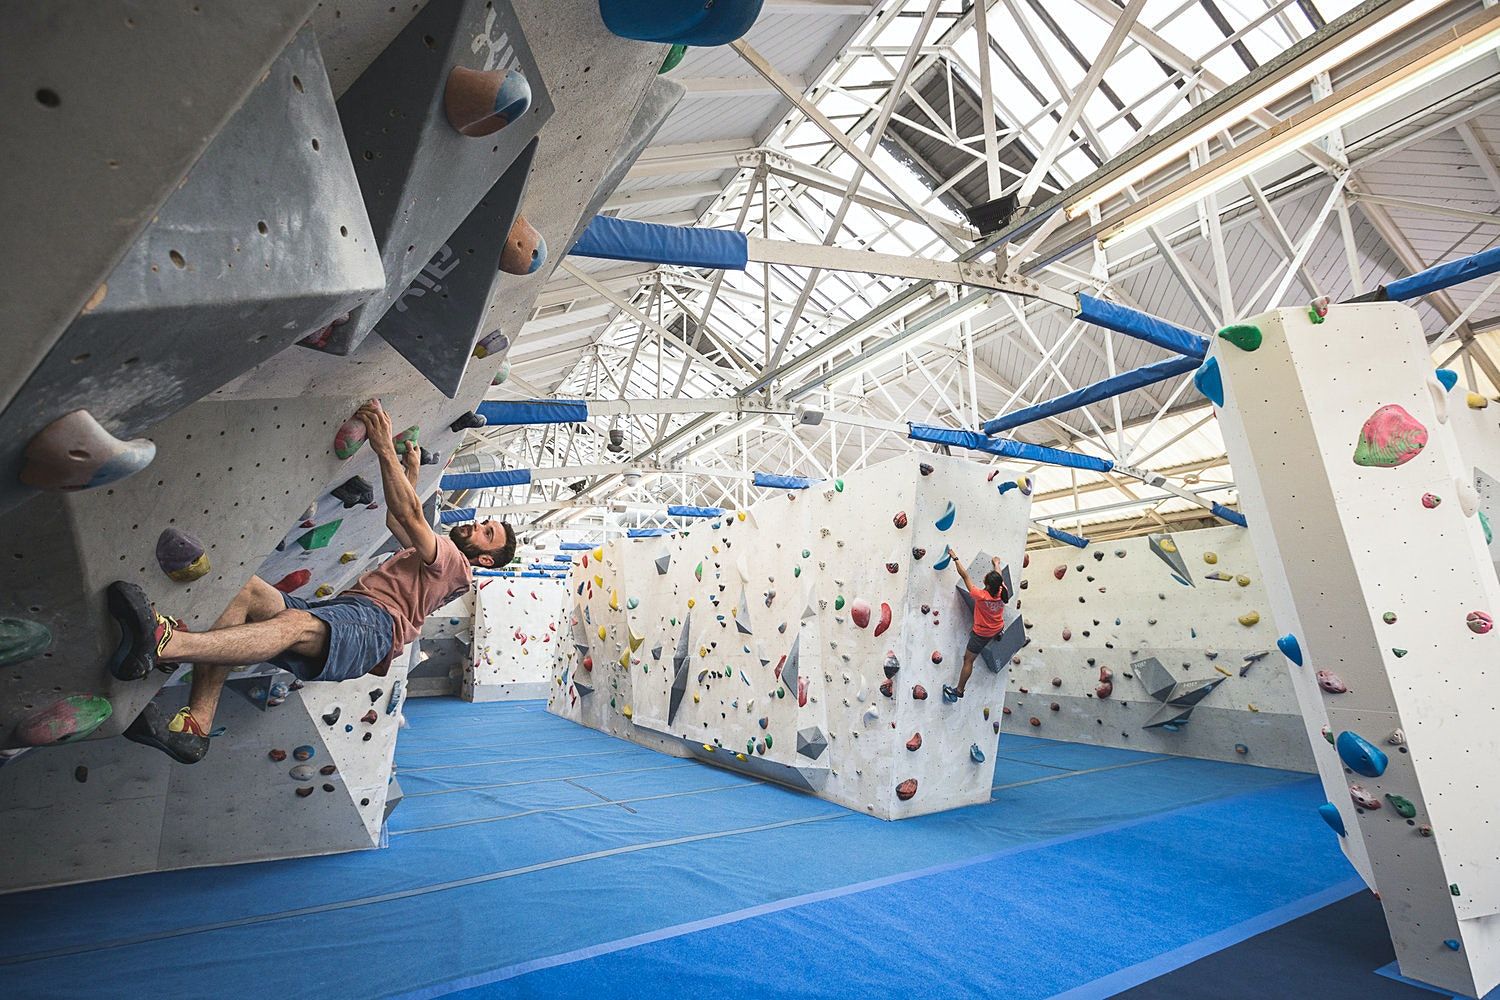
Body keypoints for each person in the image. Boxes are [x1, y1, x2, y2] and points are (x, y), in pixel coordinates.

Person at [108, 400, 516, 764]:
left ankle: (165, 644)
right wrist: (408, 475)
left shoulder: (457, 565)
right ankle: (196, 726)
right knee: (245, 591)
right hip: (351, 613)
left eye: (488, 533)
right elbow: (399, 520)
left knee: (294, 626)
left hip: (374, 626)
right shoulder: (440, 564)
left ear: (484, 558)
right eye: (485, 522)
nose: (479, 524)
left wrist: (383, 448)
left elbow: (411, 518)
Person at [942, 548, 1009, 703]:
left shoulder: (980, 595)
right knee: (997, 628)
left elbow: (964, 575)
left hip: (981, 634)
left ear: (987, 585)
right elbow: (998, 573)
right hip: (997, 626)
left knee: (968, 660)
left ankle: (959, 691)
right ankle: (999, 633)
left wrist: (955, 557)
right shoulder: (1002, 589)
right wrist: (996, 562)